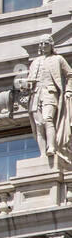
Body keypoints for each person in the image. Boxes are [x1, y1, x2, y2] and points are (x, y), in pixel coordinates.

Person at [21, 36, 72, 169]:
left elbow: (70, 74)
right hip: (36, 94)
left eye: (46, 43)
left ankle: (52, 147)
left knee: (47, 119)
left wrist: (68, 90)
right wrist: (24, 84)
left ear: (51, 45)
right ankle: (43, 154)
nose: (43, 46)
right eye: (41, 44)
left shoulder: (58, 59)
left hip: (50, 93)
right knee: (38, 124)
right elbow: (30, 80)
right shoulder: (35, 62)